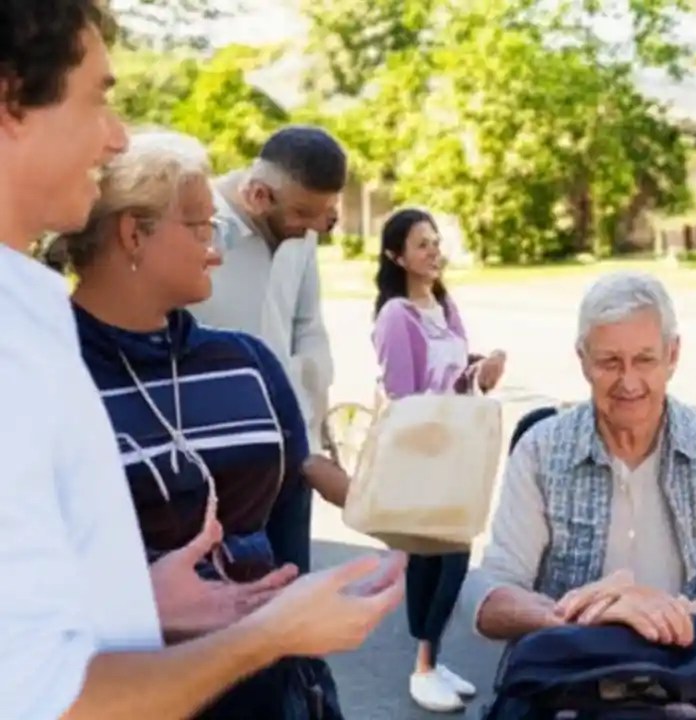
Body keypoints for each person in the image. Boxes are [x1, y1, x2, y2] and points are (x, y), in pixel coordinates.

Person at [0, 3, 405, 719]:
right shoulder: (27, 342)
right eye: (98, 97)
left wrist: (138, 600)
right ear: (10, 101)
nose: (116, 135)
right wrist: (269, 634)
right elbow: (45, 699)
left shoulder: (33, 318)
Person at [55, 128, 357, 716]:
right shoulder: (44, 376)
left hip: (268, 691)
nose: (216, 248)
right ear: (132, 234)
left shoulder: (249, 362)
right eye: (199, 227)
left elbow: (294, 489)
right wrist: (138, 602)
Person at [463, 270, 696, 647]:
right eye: (610, 362)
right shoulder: (540, 450)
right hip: (571, 683)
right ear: (583, 359)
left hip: (695, 686)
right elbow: (487, 596)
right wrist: (581, 620)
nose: (629, 382)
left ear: (673, 356)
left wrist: (663, 615)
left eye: (644, 360)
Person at [188, 124, 350, 576]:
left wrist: (313, 434)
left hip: (291, 462)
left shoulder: (302, 236)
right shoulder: (196, 228)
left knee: (292, 593)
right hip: (217, 468)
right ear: (259, 195)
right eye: (304, 212)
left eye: (327, 214)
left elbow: (307, 327)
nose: (316, 227)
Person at [371, 207, 506, 711]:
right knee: (444, 557)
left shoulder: (444, 306)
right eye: (421, 244)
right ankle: (423, 666)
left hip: (458, 450)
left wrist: (482, 371)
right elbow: (405, 397)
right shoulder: (395, 316)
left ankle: (433, 657)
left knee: (442, 556)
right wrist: (465, 382)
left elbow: (454, 374)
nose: (433, 252)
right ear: (395, 256)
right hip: (423, 455)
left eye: (435, 241)